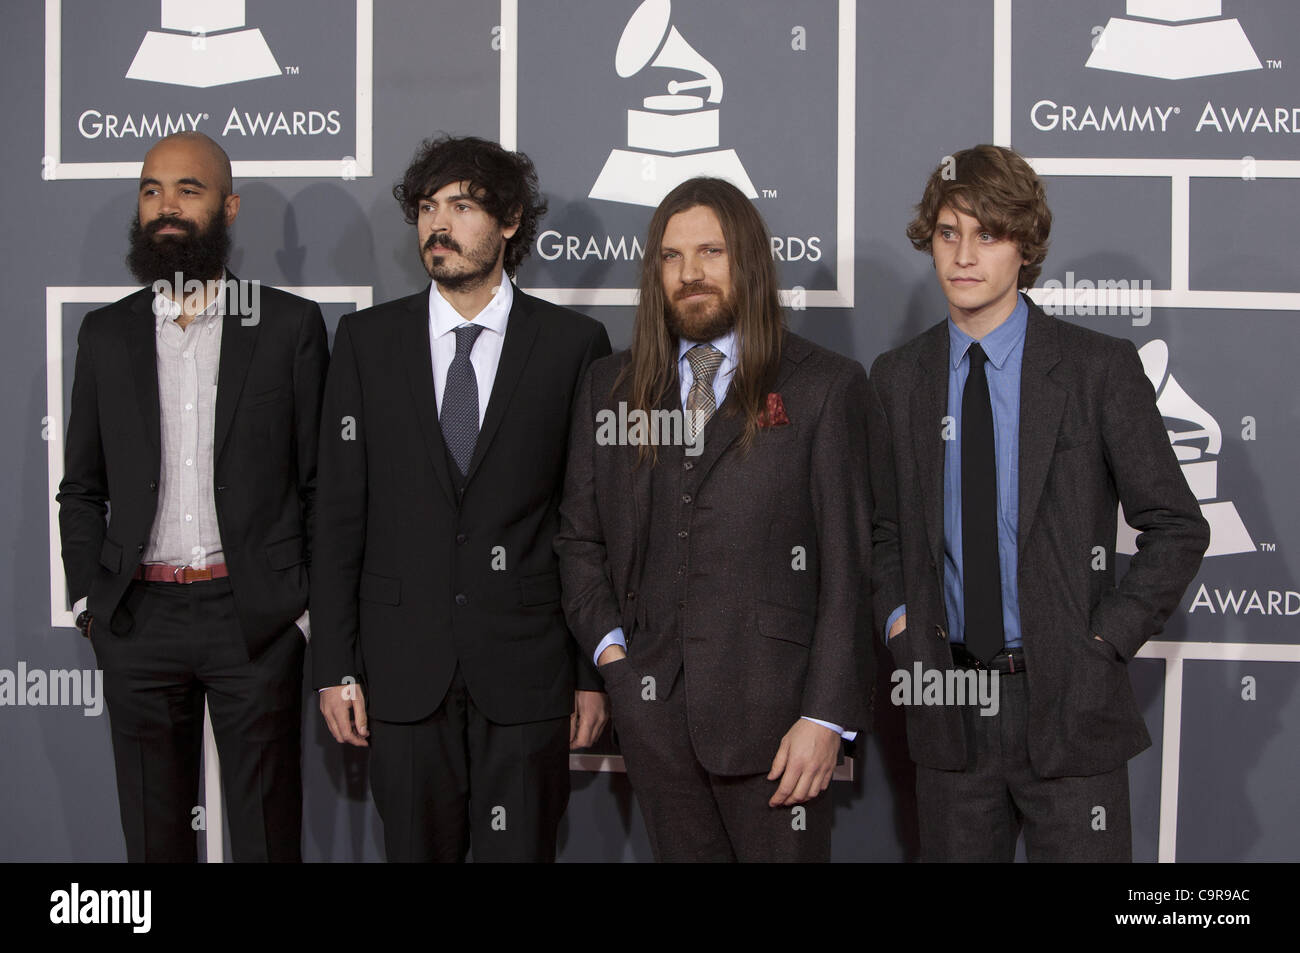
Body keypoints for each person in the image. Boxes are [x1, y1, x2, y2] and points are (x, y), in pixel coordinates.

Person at [867, 144, 1209, 861]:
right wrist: (903, 627)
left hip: (1069, 703)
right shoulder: (898, 378)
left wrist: (1102, 642)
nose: (964, 254)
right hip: (947, 708)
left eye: (987, 233)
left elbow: (1176, 525)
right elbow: (884, 531)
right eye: (949, 232)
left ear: (1025, 245)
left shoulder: (1097, 368)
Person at [311, 135, 612, 862]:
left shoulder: (575, 345)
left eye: (462, 205)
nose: (437, 225)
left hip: (527, 674)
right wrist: (333, 665)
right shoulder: (365, 342)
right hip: (401, 669)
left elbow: (587, 522)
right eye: (426, 208)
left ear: (510, 220)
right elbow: (338, 516)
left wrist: (586, 672)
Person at [555, 176, 873, 862]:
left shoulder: (825, 386)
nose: (690, 273)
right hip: (653, 723)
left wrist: (825, 715)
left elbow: (850, 567)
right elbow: (579, 540)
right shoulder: (609, 387)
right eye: (671, 256)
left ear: (749, 261)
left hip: (779, 727)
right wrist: (615, 658)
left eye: (710, 252)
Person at [57, 131, 329, 862]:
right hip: (137, 619)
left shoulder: (287, 326)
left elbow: (319, 486)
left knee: (268, 838)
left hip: (254, 622)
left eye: (188, 189)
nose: (166, 207)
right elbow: (80, 486)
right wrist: (92, 603)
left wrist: (298, 613)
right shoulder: (107, 334)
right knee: (151, 844)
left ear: (228, 206)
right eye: (151, 190)